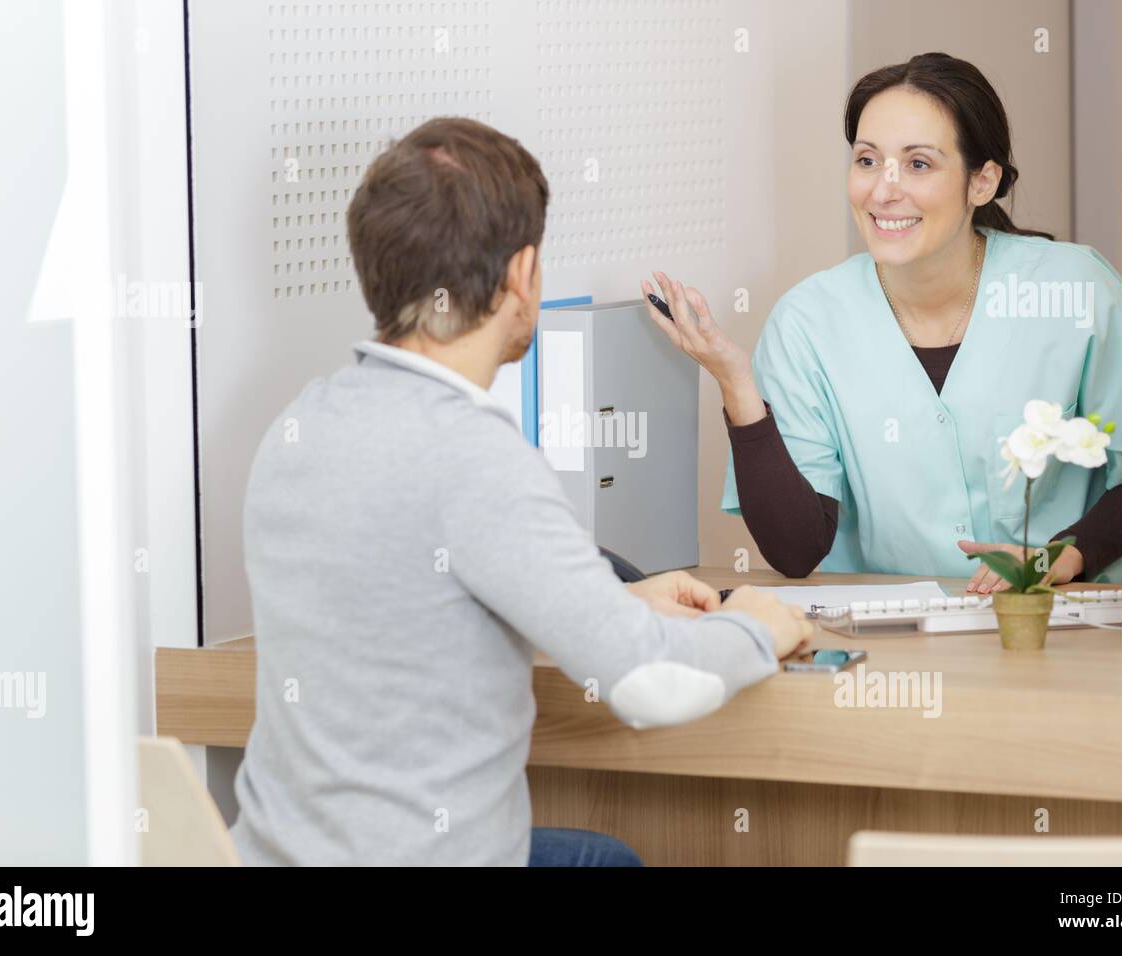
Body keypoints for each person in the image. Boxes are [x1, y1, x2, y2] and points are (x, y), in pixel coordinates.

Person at [228, 117, 813, 867]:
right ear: (522, 275)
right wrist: (759, 626)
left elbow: (401, 609)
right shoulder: (476, 455)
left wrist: (607, 603)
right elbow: (654, 685)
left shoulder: (300, 423)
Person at [643, 52, 1122, 592]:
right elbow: (796, 549)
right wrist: (735, 381)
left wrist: (1062, 556)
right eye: (868, 160)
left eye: (918, 164)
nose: (883, 190)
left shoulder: (1074, 290)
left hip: (1051, 628)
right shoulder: (807, 322)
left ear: (982, 182)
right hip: (887, 649)